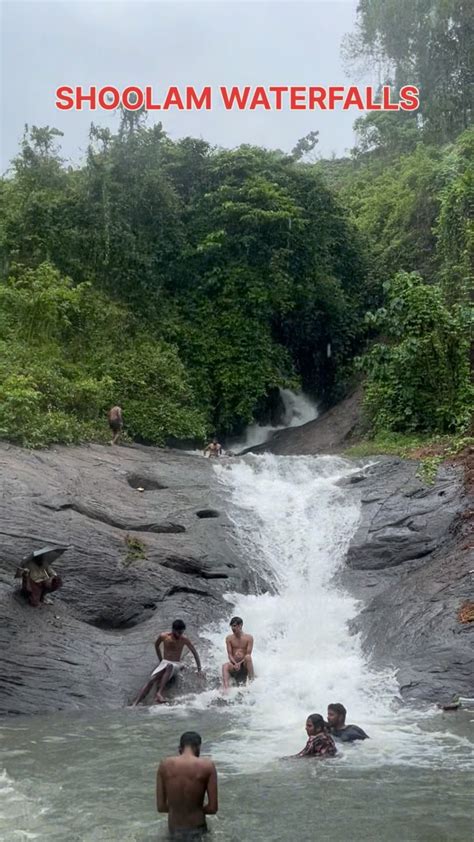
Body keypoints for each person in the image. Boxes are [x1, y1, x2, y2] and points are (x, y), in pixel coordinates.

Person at [156, 731, 218, 840]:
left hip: (174, 829)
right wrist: (195, 809)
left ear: (180, 748)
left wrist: (179, 808)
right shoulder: (207, 766)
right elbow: (213, 808)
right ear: (198, 747)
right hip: (197, 828)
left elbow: (161, 807)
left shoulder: (164, 765)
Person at [132, 620, 202, 705]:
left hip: (176, 663)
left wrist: (199, 669)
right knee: (152, 679)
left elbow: (195, 653)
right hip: (165, 662)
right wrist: (160, 659)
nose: (180, 635)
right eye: (178, 632)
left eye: (182, 632)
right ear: (173, 630)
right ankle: (135, 703)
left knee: (169, 666)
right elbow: (156, 645)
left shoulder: (184, 639)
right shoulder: (164, 636)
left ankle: (159, 693)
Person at [222, 616, 254, 690]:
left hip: (244, 665)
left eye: (235, 626)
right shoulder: (229, 638)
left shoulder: (249, 638)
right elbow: (229, 654)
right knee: (225, 666)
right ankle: (226, 688)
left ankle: (252, 682)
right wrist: (235, 663)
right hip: (234, 665)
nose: (233, 628)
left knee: (248, 657)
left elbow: (248, 653)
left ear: (240, 625)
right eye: (232, 626)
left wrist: (240, 663)